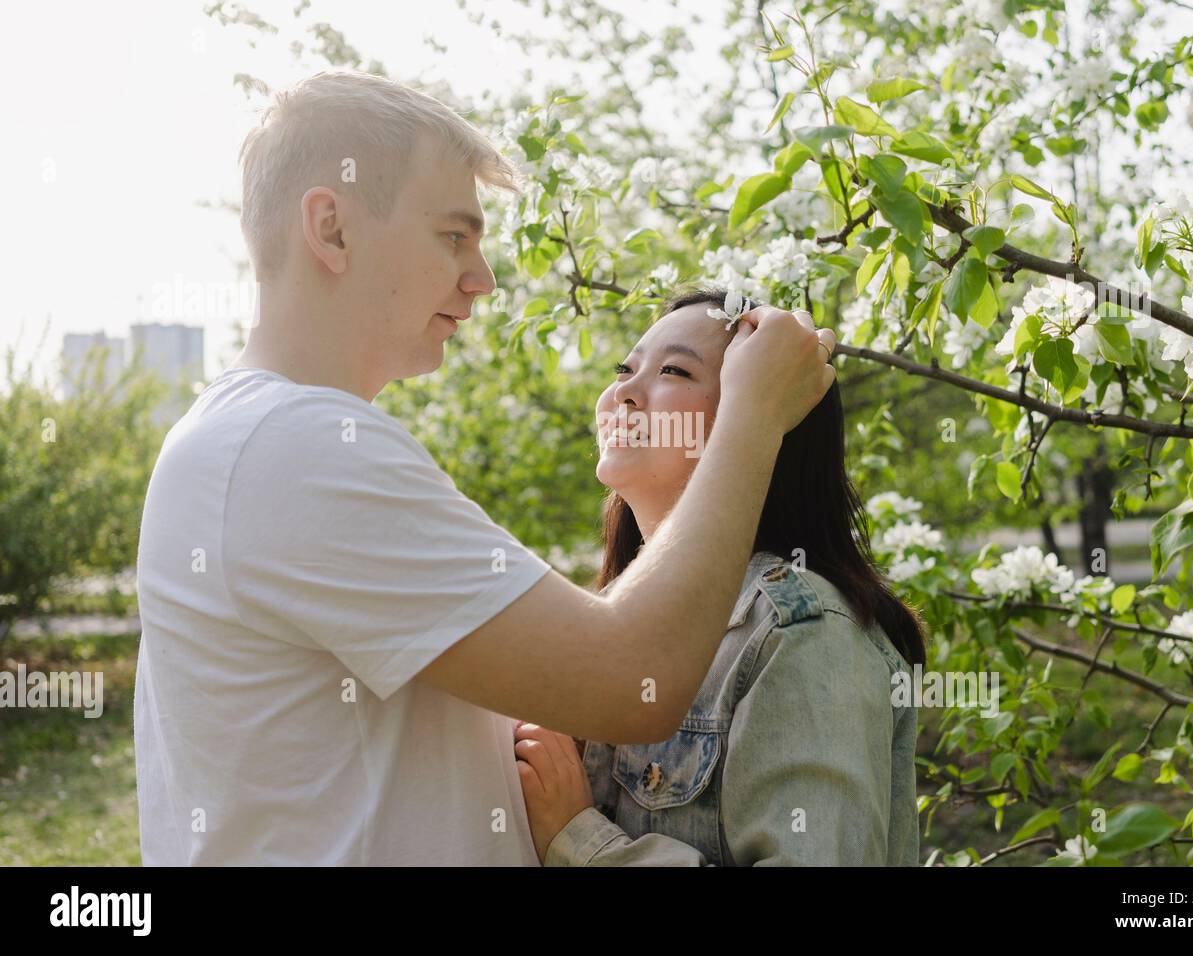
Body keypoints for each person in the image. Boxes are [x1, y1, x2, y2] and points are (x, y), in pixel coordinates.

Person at [132, 73, 837, 865]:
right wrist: (753, 414)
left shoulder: (255, 438)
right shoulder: (295, 450)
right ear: (331, 229)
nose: (484, 276)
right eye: (454, 236)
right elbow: (634, 675)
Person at [513, 288, 926, 866]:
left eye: (675, 371)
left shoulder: (799, 632)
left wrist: (581, 840)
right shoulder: (602, 620)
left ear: (763, 413)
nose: (623, 393)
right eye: (623, 369)